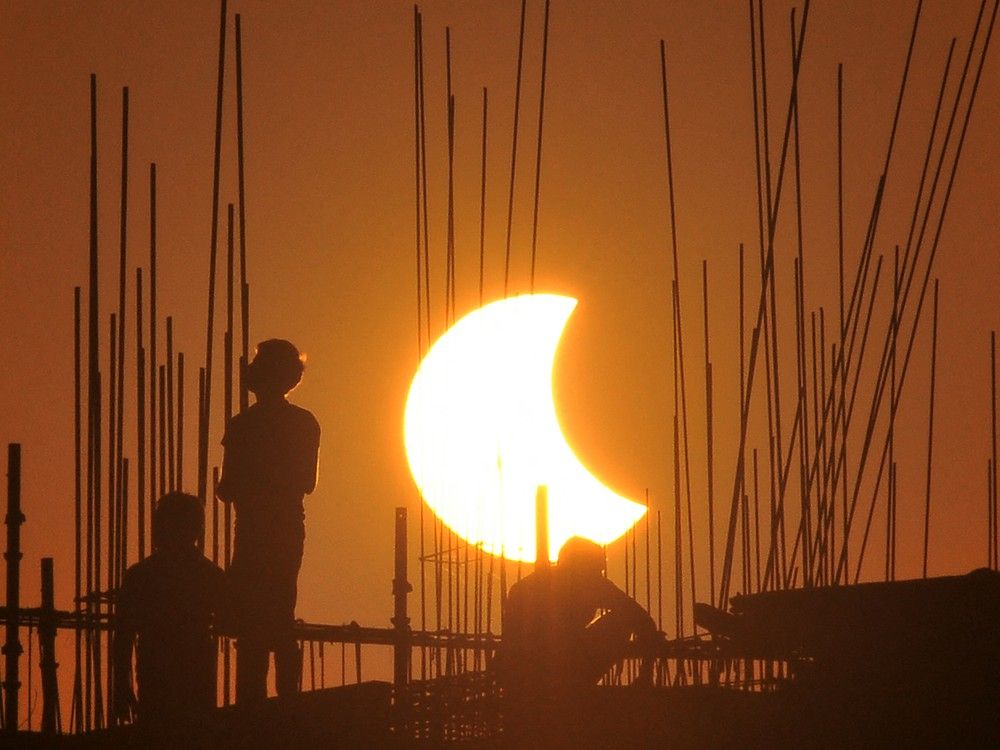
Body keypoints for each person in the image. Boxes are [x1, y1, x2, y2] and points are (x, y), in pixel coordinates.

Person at [217, 339, 320, 703]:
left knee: (258, 620)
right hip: (278, 530)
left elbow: (227, 488)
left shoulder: (245, 425)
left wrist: (254, 477)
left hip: (261, 531)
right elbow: (306, 481)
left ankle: (259, 707)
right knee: (274, 615)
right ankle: (280, 704)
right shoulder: (301, 423)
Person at [499, 536, 660, 745]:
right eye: (596, 568)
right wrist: (645, 673)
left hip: (547, 670)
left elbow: (642, 620)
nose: (600, 574)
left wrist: (645, 672)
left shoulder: (526, 586)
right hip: (547, 673)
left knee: (621, 620)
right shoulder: (584, 584)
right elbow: (641, 620)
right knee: (621, 621)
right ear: (581, 566)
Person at [114, 492, 226, 737]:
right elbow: (123, 637)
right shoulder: (208, 575)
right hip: (180, 679)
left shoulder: (141, 575)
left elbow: (123, 638)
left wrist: (121, 686)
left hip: (165, 678)